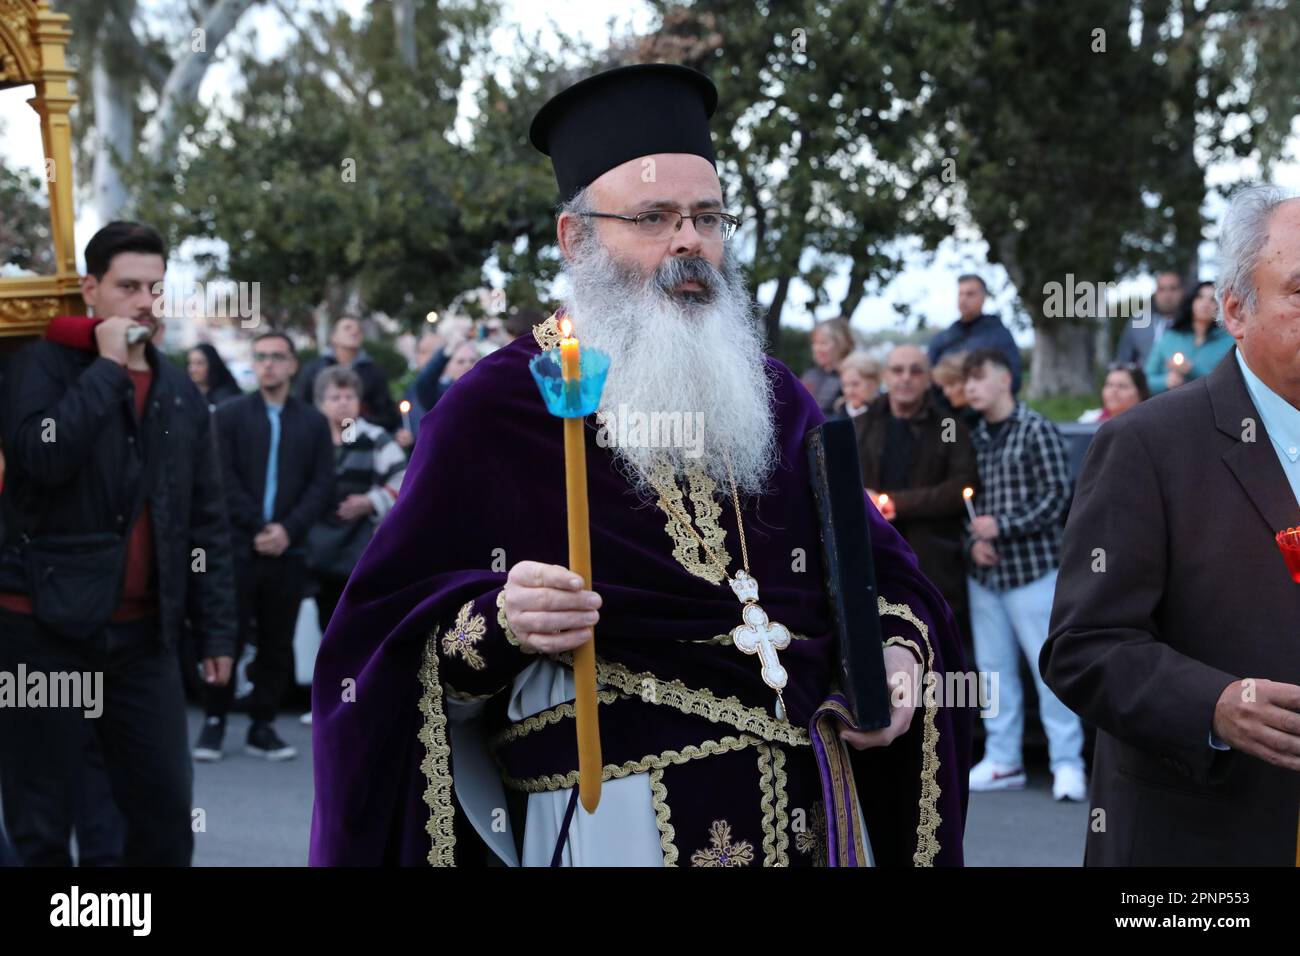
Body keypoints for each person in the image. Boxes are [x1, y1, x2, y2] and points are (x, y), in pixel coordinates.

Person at [311, 63, 971, 867]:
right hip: (619, 821)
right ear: (575, 238)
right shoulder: (495, 409)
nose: (689, 241)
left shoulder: (775, 398)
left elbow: (889, 582)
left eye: (707, 217)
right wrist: (503, 621)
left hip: (810, 812)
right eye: (653, 217)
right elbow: (381, 643)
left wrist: (896, 660)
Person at [1043, 184, 1300, 865]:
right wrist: (1212, 706)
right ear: (1236, 310)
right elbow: (1082, 647)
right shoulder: (1146, 446)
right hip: (1204, 844)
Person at [0, 221, 237, 865]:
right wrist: (107, 369)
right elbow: (39, 459)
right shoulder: (39, 365)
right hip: (44, 633)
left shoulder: (178, 390)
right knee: (42, 822)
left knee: (162, 813)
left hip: (144, 643)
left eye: (155, 289)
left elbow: (205, 519)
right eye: (128, 286)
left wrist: (217, 633)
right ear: (90, 289)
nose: (144, 303)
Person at [196, 330, 334, 763]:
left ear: (293, 364)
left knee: (278, 640)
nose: (268, 364)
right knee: (227, 636)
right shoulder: (230, 415)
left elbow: (321, 485)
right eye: (260, 357)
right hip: (239, 547)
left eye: (277, 356)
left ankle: (263, 725)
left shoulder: (312, 422)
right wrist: (258, 527)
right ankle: (214, 722)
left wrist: (286, 531)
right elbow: (222, 477)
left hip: (288, 553)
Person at [961, 349, 1086, 801]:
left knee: (1047, 669)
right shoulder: (972, 435)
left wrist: (1002, 526)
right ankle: (1002, 760)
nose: (970, 387)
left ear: (1004, 380)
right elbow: (964, 505)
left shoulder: (1037, 428)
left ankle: (1067, 763)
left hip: (1034, 571)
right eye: (966, 380)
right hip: (986, 576)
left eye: (978, 378)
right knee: (992, 672)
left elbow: (1058, 498)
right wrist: (973, 540)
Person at [855, 345, 979, 652]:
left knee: (937, 654)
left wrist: (895, 503)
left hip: (933, 563)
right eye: (898, 370)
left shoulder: (949, 427)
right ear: (886, 376)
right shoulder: (862, 424)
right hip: (871, 560)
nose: (906, 378)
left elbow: (961, 487)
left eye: (915, 370)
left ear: (928, 378)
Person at [307, 367, 407, 640]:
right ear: (320, 403)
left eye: (348, 396)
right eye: (335, 397)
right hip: (317, 554)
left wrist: (372, 501)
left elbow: (404, 478)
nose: (342, 402)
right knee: (325, 627)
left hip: (360, 550)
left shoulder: (375, 438)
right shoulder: (310, 439)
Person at [294, 316, 401, 432]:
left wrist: (357, 422)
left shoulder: (374, 372)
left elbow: (386, 414)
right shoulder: (313, 370)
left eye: (359, 330)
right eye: (347, 328)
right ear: (333, 337)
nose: (355, 332)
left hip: (361, 437)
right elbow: (300, 406)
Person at [927, 276, 1022, 395]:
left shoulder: (998, 335)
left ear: (983, 298)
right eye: (960, 294)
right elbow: (927, 374)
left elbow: (1014, 379)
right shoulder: (942, 338)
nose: (963, 299)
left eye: (970, 294)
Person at [1145, 280, 1235, 394]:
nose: (1205, 303)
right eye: (1200, 297)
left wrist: (1192, 370)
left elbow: (1228, 384)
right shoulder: (1169, 338)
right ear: (1191, 301)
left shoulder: (1229, 342)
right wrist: (1165, 381)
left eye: (1212, 299)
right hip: (1169, 405)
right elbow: (1145, 379)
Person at [1113, 270, 1183, 367]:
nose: (1167, 295)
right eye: (1162, 289)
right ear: (1155, 294)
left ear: (1182, 292)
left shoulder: (1195, 323)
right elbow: (1123, 361)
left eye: (1173, 289)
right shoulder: (1138, 322)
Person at [800, 318, 854, 415]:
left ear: (842, 344)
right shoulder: (810, 374)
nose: (817, 348)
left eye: (823, 343)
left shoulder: (853, 378)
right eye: (815, 343)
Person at [1077, 363, 1150, 423]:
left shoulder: (1150, 422)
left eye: (1122, 386)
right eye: (1109, 385)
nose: (1114, 390)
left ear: (1140, 393)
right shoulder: (1088, 420)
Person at [187, 343, 242, 409]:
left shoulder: (225, 396)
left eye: (199, 363)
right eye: (191, 363)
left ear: (212, 364)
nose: (193, 369)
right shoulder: (191, 393)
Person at [831, 352, 881, 419]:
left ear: (874, 382)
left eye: (855, 384)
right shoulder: (839, 413)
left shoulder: (887, 411)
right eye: (845, 385)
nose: (849, 391)